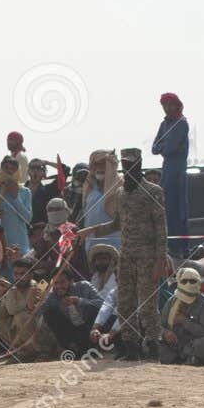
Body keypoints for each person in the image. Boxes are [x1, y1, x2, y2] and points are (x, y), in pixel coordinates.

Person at [79, 149, 167, 358]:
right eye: (125, 165)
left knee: (147, 304)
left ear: (139, 164)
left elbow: (161, 227)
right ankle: (131, 347)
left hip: (147, 257)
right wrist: (91, 230)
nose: (128, 169)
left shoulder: (153, 191)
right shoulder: (120, 193)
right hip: (125, 256)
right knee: (125, 303)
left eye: (132, 164)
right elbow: (116, 224)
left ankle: (153, 347)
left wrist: (160, 260)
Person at [158, 265, 204, 365]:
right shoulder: (172, 301)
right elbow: (160, 325)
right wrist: (166, 333)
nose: (188, 284)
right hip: (174, 345)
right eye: (184, 281)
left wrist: (184, 321)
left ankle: (191, 360)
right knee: (152, 342)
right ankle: (177, 360)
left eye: (192, 281)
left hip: (193, 344)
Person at [152, 92, 189, 251]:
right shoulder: (164, 124)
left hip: (178, 170)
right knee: (165, 205)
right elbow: (155, 148)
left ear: (177, 105)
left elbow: (170, 148)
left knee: (176, 208)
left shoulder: (181, 123)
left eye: (170, 104)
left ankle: (178, 246)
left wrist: (165, 149)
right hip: (167, 168)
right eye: (164, 105)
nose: (167, 108)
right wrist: (165, 149)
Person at [39, 271, 103, 358]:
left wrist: (79, 301)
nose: (59, 286)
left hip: (89, 328)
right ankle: (72, 348)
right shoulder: (52, 296)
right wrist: (38, 294)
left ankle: (93, 346)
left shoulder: (84, 286)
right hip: (72, 331)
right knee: (49, 314)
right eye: (55, 283)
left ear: (71, 281)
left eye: (62, 282)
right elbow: (38, 311)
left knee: (90, 307)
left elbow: (102, 303)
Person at [0, 156, 33, 270]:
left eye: (13, 168)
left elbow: (28, 218)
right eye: (6, 168)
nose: (9, 171)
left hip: (21, 244)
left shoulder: (25, 192)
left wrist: (15, 197)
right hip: (0, 244)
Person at [81, 150, 121, 253]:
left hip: (114, 242)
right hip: (91, 242)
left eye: (103, 163)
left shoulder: (120, 186)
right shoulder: (89, 187)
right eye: (96, 164)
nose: (99, 167)